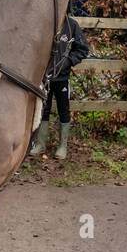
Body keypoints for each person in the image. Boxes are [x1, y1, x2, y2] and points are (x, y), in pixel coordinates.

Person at [28, 16, 89, 160]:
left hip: (62, 78)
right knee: (44, 109)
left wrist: (68, 61)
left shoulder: (71, 25)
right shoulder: (46, 21)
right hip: (45, 77)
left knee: (63, 109)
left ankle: (63, 146)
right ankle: (40, 143)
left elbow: (82, 49)